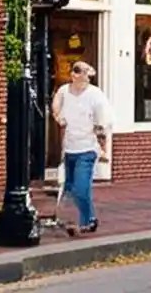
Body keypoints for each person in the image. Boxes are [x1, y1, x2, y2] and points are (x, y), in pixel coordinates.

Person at [50, 61, 111, 236]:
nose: (76, 75)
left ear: (87, 75)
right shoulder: (63, 91)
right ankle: (76, 218)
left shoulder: (95, 95)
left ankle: (87, 220)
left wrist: (102, 147)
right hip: (70, 149)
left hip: (87, 149)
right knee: (70, 188)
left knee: (81, 187)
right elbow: (56, 104)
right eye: (74, 71)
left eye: (80, 71)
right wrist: (58, 117)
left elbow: (101, 122)